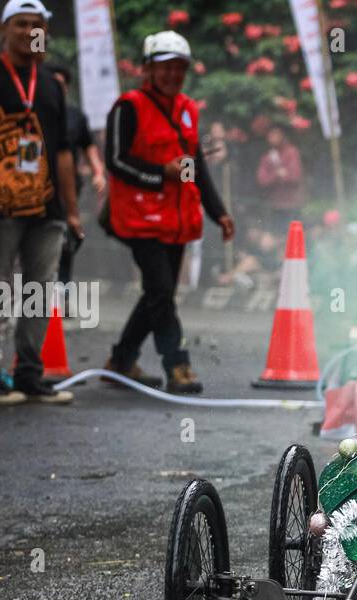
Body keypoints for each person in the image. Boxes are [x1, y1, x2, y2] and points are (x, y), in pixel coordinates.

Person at [0, 0, 79, 404]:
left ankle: (29, 374)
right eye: (21, 23)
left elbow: (63, 152)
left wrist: (72, 209)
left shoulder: (51, 85)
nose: (30, 30)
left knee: (40, 290)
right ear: (4, 29)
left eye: (37, 24)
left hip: (47, 208)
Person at [104, 30, 234, 394]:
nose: (173, 75)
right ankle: (176, 364)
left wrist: (218, 211)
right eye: (165, 67)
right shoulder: (128, 106)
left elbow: (197, 166)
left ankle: (121, 360)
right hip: (139, 219)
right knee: (160, 290)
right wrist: (160, 173)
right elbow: (114, 162)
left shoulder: (188, 109)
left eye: (180, 68)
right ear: (147, 69)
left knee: (157, 294)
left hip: (178, 221)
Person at [48, 63, 104, 300]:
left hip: (68, 188)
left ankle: (63, 290)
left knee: (68, 238)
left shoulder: (75, 117)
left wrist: (98, 172)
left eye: (61, 85)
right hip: (34, 187)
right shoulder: (33, 110)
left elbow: (88, 147)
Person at [255, 124, 303, 243]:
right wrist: (277, 174)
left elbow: (295, 176)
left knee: (293, 239)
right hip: (275, 205)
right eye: (270, 135)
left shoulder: (291, 152)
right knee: (277, 239)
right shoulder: (267, 157)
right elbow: (262, 179)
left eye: (275, 134)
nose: (272, 138)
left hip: (292, 205)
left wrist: (282, 175)